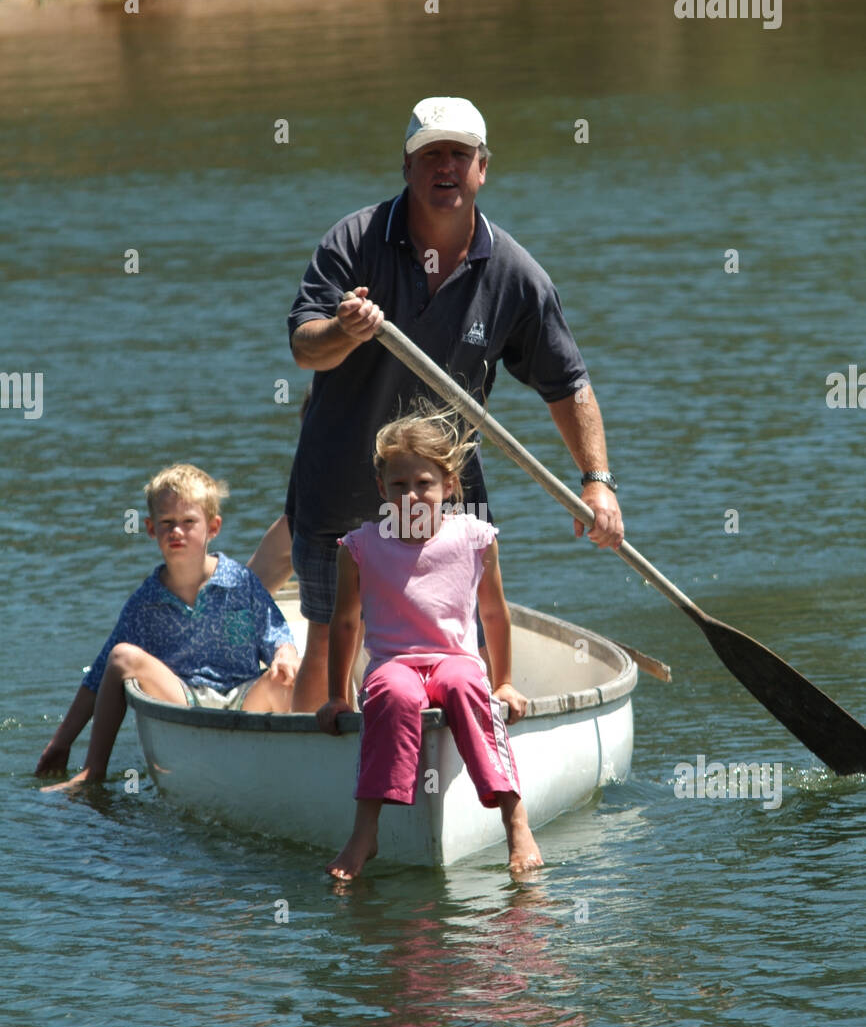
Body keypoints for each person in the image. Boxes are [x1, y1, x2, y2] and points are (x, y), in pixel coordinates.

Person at [260, 95, 624, 712]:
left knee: (457, 638)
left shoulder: (514, 275)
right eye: (430, 155)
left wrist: (597, 482)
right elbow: (304, 348)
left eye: (459, 154)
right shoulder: (354, 240)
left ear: (483, 167)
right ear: (407, 168)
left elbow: (568, 384)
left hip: (446, 491)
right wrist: (344, 331)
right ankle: (322, 772)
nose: (445, 167)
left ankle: (460, 761)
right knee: (326, 640)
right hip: (339, 485)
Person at [316, 406, 542, 880]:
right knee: (391, 694)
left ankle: (515, 821)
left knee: (465, 685)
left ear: (450, 485)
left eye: (424, 483)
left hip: (453, 659)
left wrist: (504, 681)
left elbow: (495, 613)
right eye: (399, 486)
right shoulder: (361, 547)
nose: (412, 495)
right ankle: (366, 832)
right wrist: (337, 695)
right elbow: (344, 623)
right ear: (382, 489)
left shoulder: (475, 538)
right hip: (394, 662)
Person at [37, 463, 300, 791]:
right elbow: (99, 674)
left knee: (286, 674)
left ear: (213, 527)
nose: (177, 531)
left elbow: (277, 635)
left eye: (189, 522)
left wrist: (285, 653)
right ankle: (93, 772)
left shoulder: (241, 582)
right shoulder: (146, 600)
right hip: (183, 699)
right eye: (167, 523)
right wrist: (60, 743)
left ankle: (298, 773)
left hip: (245, 697)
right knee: (122, 656)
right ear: (150, 528)